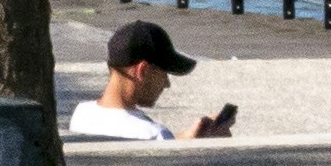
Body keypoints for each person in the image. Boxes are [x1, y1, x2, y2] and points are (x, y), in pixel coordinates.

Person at [67, 18, 235, 142]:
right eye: (164, 74)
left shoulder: (82, 113)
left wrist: (187, 137)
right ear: (143, 70)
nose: (167, 84)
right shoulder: (153, 133)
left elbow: (132, 143)